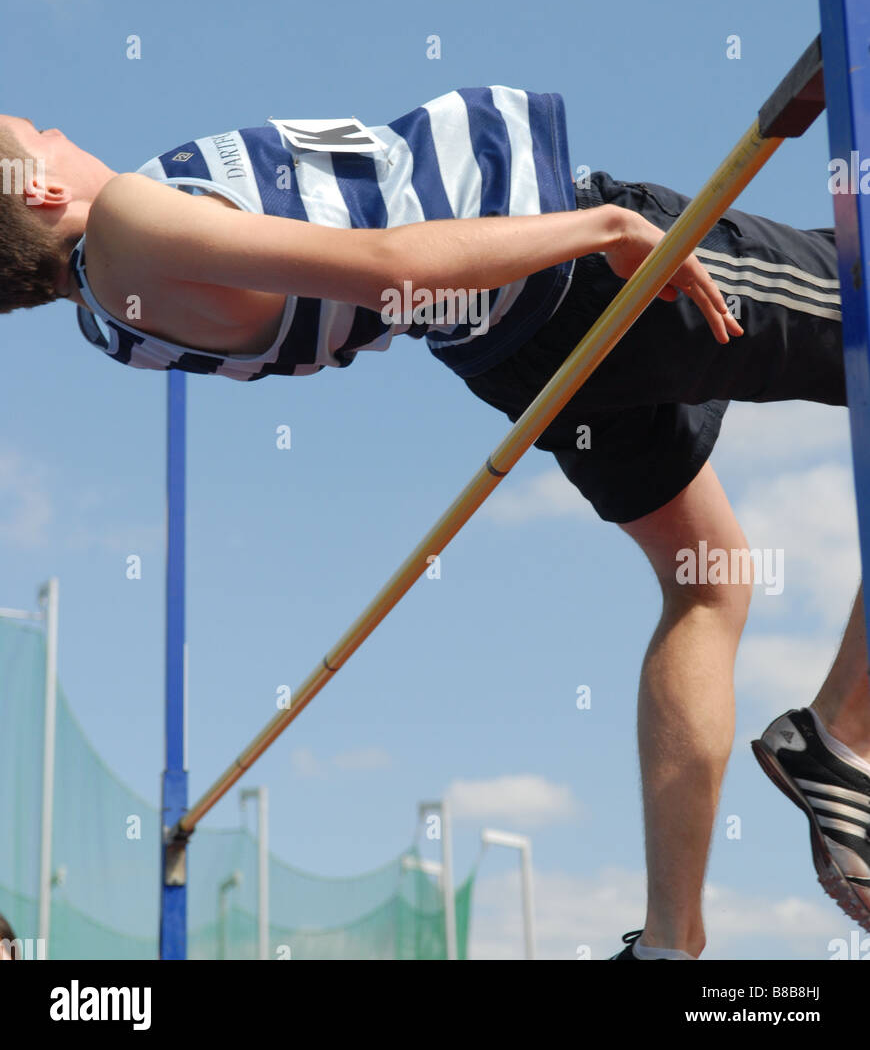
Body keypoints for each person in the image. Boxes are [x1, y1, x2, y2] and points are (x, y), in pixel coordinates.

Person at [1, 88, 867, 961]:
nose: (58, 127)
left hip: (514, 344)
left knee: (707, 583)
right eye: (34, 134)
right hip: (567, 273)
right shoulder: (122, 226)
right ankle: (839, 741)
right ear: (37, 194)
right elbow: (385, 265)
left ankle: (671, 946)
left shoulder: (107, 320)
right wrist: (602, 228)